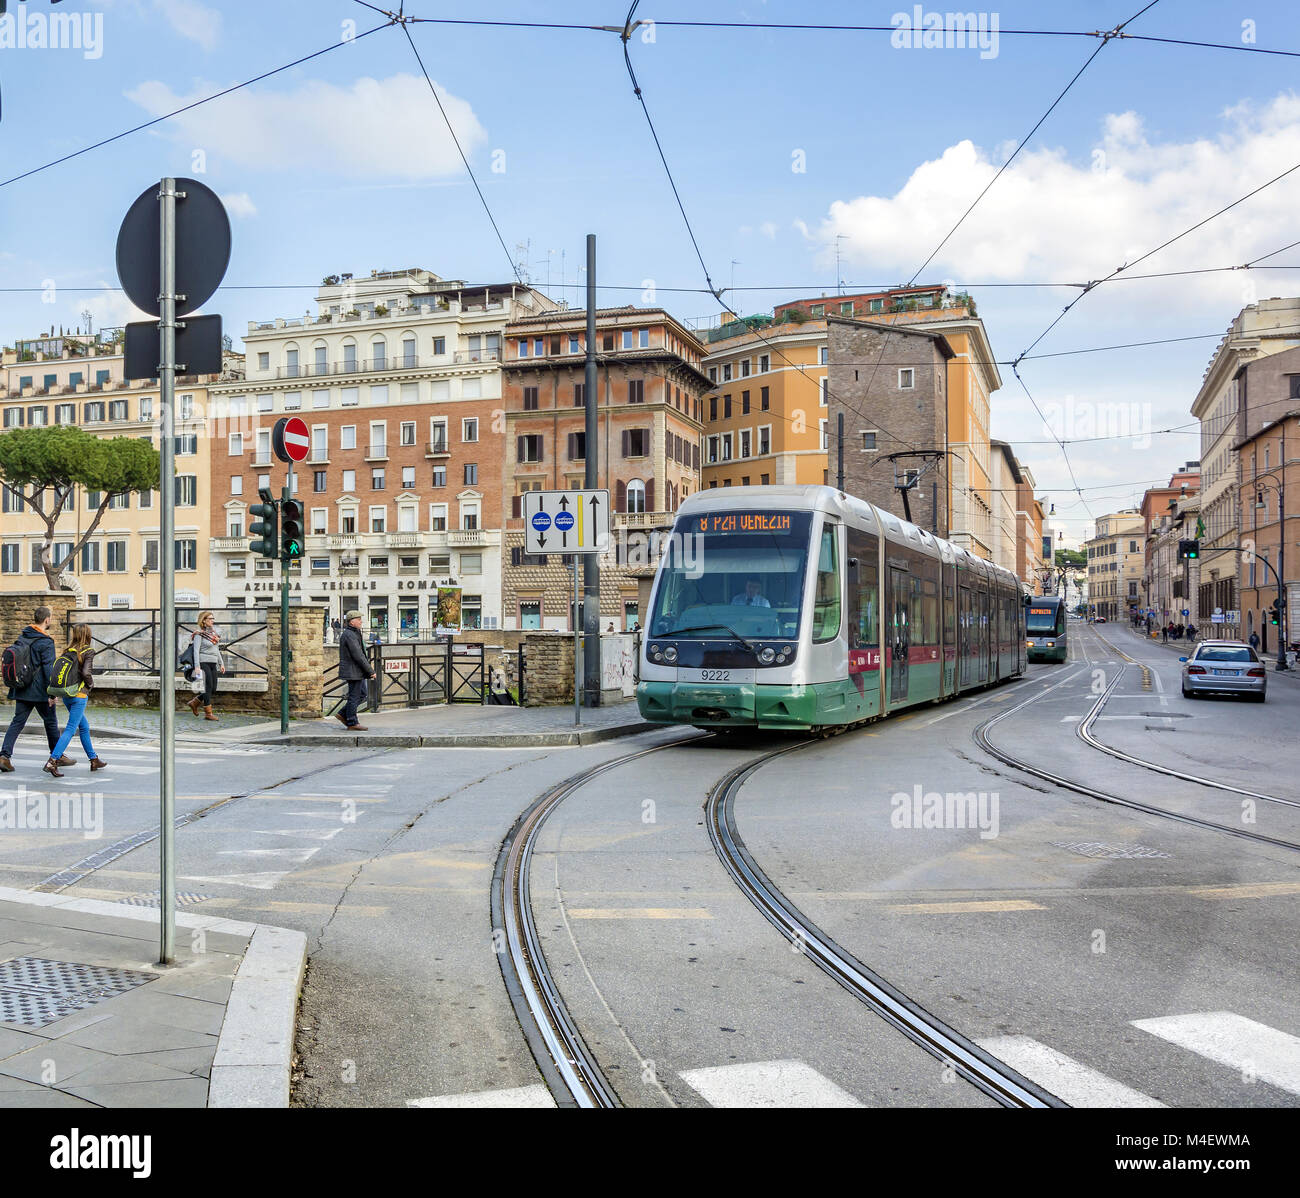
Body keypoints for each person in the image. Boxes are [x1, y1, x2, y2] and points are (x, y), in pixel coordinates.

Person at [0, 605, 76, 773]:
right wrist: (52, 693)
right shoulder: (45, 641)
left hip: (22, 688)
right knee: (50, 722)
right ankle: (57, 756)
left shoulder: (23, 636)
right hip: (40, 691)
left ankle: (4, 756)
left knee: (17, 723)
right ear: (47, 620)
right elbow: (50, 670)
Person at [44, 622, 105, 778]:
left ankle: (94, 759)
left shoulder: (67, 651)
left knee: (84, 727)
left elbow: (57, 675)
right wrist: (90, 685)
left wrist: (52, 695)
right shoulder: (88, 651)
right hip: (79, 696)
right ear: (88, 635)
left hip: (67, 696)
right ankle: (52, 761)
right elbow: (86, 673)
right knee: (71, 729)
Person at [338, 610, 375, 731]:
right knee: (355, 696)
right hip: (352, 670)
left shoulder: (355, 633)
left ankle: (343, 713)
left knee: (363, 694)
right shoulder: (349, 635)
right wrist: (370, 671)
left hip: (356, 670)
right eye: (359, 619)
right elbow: (358, 655)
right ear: (352, 622)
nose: (361, 621)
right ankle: (352, 722)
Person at [186, 611, 226, 721]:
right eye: (210, 618)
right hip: (203, 662)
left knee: (213, 689)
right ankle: (208, 713)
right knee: (207, 687)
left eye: (213, 618)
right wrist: (197, 666)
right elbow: (196, 651)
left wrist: (221, 663)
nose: (213, 620)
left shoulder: (214, 634)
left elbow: (216, 649)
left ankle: (194, 702)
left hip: (213, 663)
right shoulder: (199, 635)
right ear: (204, 620)